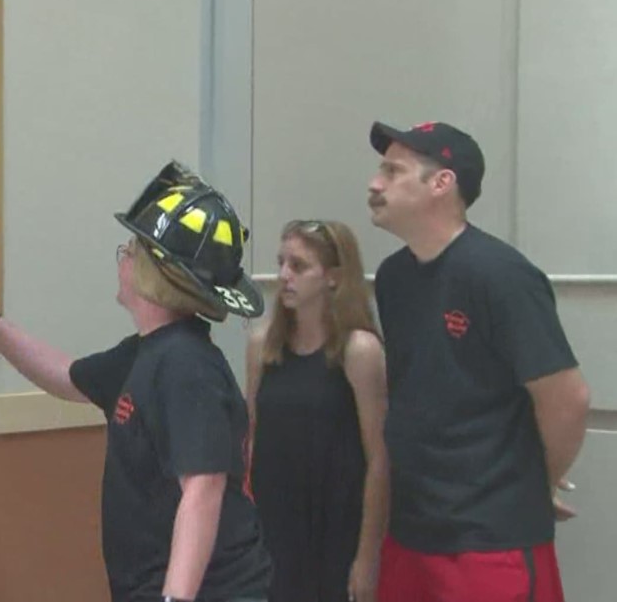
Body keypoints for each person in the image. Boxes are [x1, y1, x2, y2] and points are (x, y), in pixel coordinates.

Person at [0, 160, 274, 602]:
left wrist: (175, 597)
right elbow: (63, 375)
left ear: (154, 274)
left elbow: (203, 489)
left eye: (130, 250)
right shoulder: (145, 352)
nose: (122, 258)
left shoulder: (188, 368)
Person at [364, 120, 591, 602]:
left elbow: (567, 398)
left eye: (392, 171)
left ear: (441, 183)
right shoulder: (392, 278)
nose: (374, 183)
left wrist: (536, 482)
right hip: (411, 532)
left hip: (490, 542)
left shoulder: (501, 275)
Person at [245, 219, 389, 602]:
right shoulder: (262, 345)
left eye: (299, 266)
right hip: (276, 527)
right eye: (281, 263)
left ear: (333, 277)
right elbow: (252, 436)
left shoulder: (358, 351)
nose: (284, 276)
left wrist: (367, 557)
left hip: (337, 527)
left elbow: (379, 458)